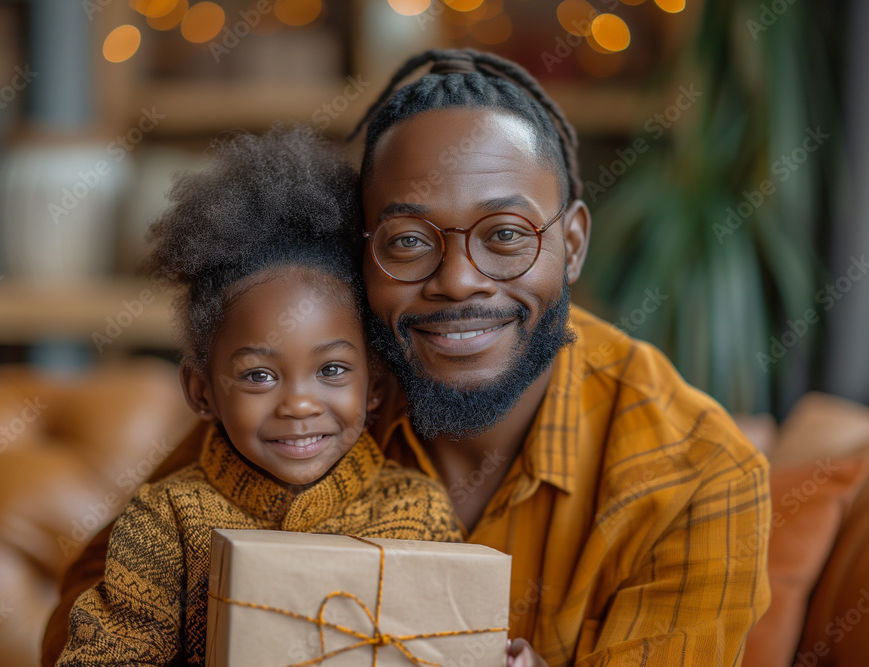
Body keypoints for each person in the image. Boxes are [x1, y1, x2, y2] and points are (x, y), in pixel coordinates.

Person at [45, 50, 771, 667]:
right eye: (408, 241)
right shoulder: (313, 396)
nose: (458, 279)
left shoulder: (697, 476)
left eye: (507, 234)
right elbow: (82, 618)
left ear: (572, 243)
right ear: (362, 255)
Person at [54, 127, 463, 666]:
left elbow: (453, 642)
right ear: (202, 392)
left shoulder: (419, 514)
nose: (298, 404)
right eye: (259, 377)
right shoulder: (166, 521)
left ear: (375, 388)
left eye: (332, 370)